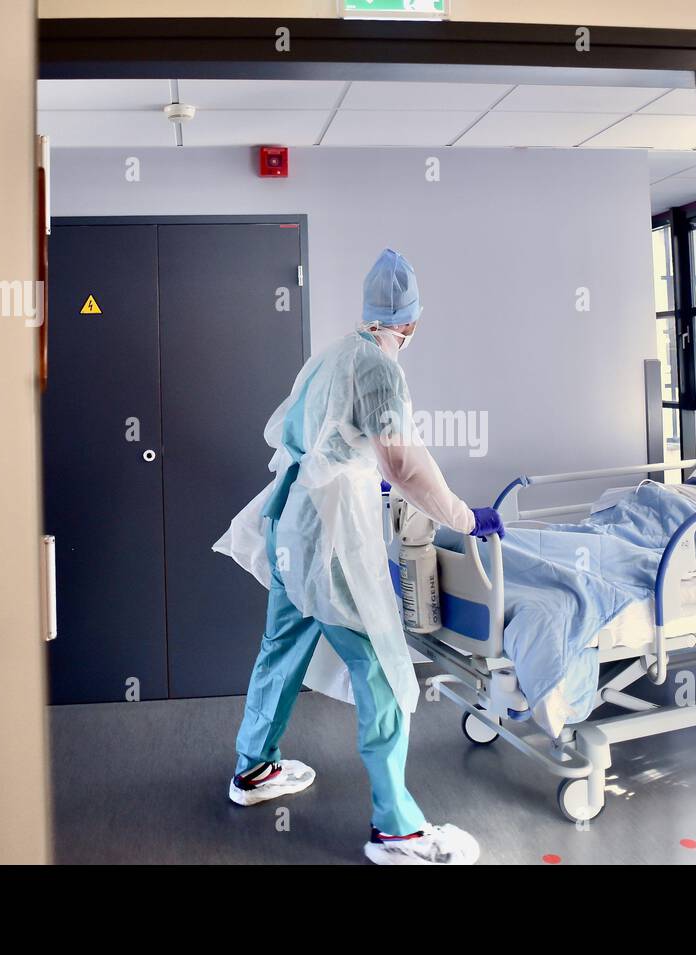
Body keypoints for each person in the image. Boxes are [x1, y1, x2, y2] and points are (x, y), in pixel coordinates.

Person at [214, 248, 505, 865]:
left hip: (292, 526)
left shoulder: (332, 354)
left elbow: (317, 438)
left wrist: (354, 471)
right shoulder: (378, 368)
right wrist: (462, 516)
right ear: (412, 322)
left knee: (280, 647)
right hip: (330, 539)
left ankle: (254, 769)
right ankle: (397, 831)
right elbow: (401, 463)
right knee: (383, 668)